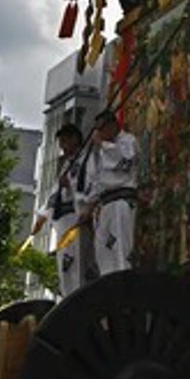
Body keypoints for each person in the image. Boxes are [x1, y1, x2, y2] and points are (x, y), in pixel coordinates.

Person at [31, 123, 91, 297]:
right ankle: (67, 298)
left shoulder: (87, 160)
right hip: (62, 221)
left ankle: (79, 300)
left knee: (78, 265)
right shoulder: (67, 166)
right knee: (65, 267)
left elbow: (92, 187)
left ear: (75, 140)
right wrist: (42, 217)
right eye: (60, 143)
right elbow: (54, 193)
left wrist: (71, 185)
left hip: (77, 216)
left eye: (65, 141)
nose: (62, 147)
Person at [81, 110, 138, 277]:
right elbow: (97, 179)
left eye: (102, 129)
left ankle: (123, 288)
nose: (99, 134)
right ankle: (107, 287)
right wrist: (89, 205)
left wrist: (104, 145)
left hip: (121, 201)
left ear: (113, 126)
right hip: (104, 205)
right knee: (104, 251)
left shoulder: (128, 141)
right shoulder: (100, 150)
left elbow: (124, 162)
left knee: (120, 248)